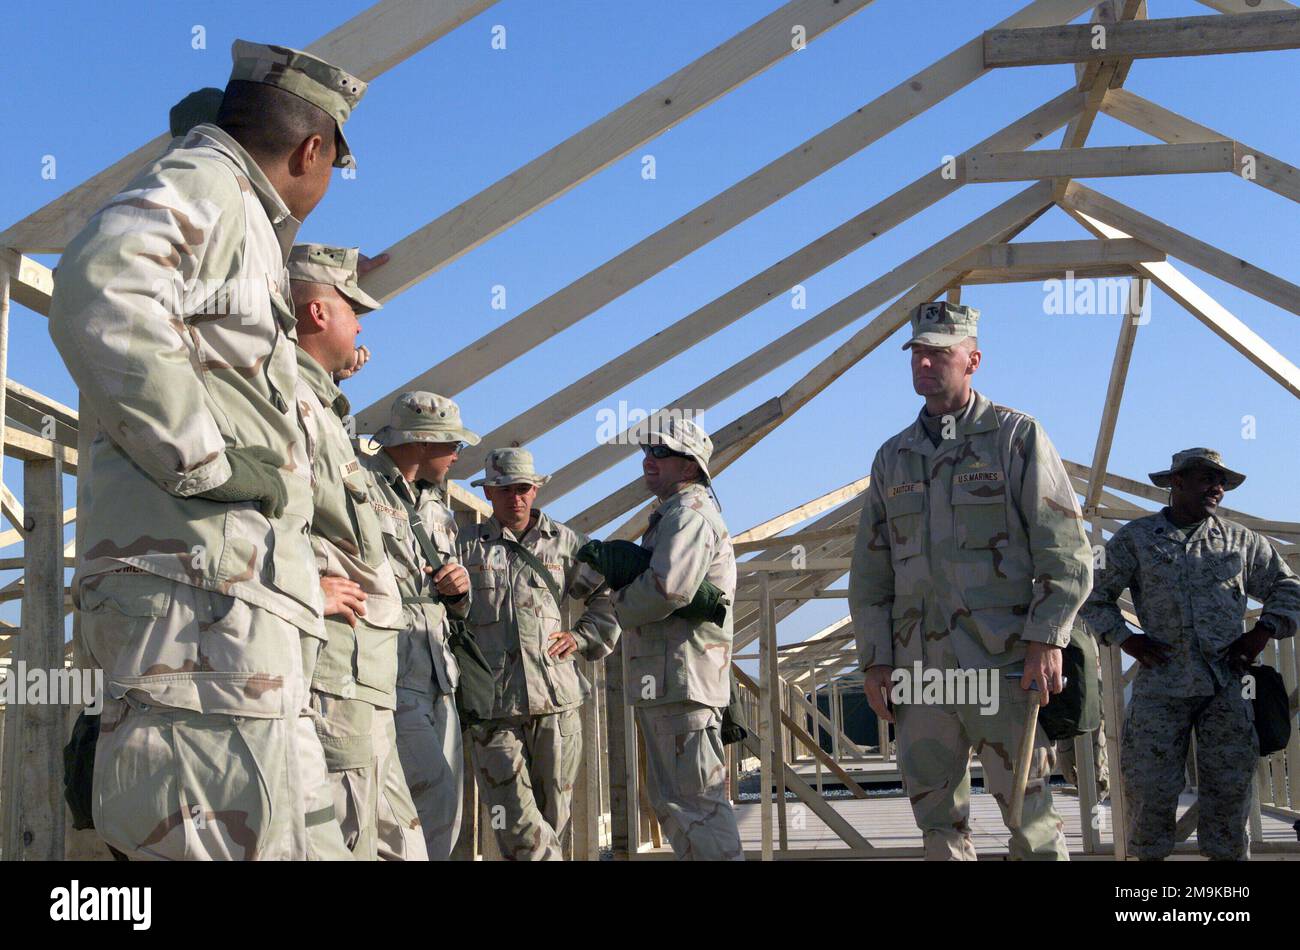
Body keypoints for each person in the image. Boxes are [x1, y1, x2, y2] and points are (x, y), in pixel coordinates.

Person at [50, 39, 367, 860]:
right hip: (198, 601)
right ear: (313, 150)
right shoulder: (214, 181)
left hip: (222, 601)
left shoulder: (242, 215)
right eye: (334, 166)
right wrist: (208, 459)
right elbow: (100, 282)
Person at [848, 301, 1093, 861]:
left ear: (973, 359)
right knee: (938, 824)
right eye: (918, 353)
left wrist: (1048, 638)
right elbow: (870, 574)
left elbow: (1066, 549)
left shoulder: (1015, 439)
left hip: (1003, 663)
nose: (925, 364)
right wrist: (876, 660)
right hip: (920, 672)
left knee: (1030, 820)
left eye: (939, 352)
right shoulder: (893, 458)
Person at [1080, 448, 1300, 861]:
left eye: (1222, 482)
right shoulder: (1136, 538)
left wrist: (1261, 633)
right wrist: (1127, 639)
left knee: (1230, 785)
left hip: (1227, 684)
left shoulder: (1240, 540)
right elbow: (1094, 596)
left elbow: (1287, 587)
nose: (1217, 489)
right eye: (1207, 479)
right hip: (1162, 683)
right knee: (1148, 784)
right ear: (1176, 483)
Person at [289, 243, 427, 860]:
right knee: (348, 836)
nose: (361, 325)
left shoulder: (318, 404)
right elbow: (247, 514)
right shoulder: (283, 398)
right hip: (333, 670)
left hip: (362, 673)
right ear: (319, 313)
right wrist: (300, 586)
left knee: (393, 836)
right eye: (352, 308)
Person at [456, 448, 619, 859]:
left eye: (523, 488)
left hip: (557, 703)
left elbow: (607, 594)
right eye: (504, 489)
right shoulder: (466, 547)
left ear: (536, 489)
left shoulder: (565, 543)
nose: (516, 498)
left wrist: (581, 638)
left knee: (553, 818)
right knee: (516, 822)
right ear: (489, 493)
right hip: (494, 708)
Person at [611, 416, 743, 860]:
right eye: (646, 453)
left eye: (661, 454)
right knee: (680, 803)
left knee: (697, 804)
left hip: (681, 680)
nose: (649, 461)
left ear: (690, 466)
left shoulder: (687, 515)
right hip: (672, 680)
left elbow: (670, 588)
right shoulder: (674, 514)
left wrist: (618, 603)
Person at [358, 392, 477, 859]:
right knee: (416, 798)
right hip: (389, 670)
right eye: (453, 445)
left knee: (445, 801)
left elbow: (455, 605)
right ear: (424, 442)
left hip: (437, 672)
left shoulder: (436, 506)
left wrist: (459, 591)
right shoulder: (363, 487)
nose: (456, 456)